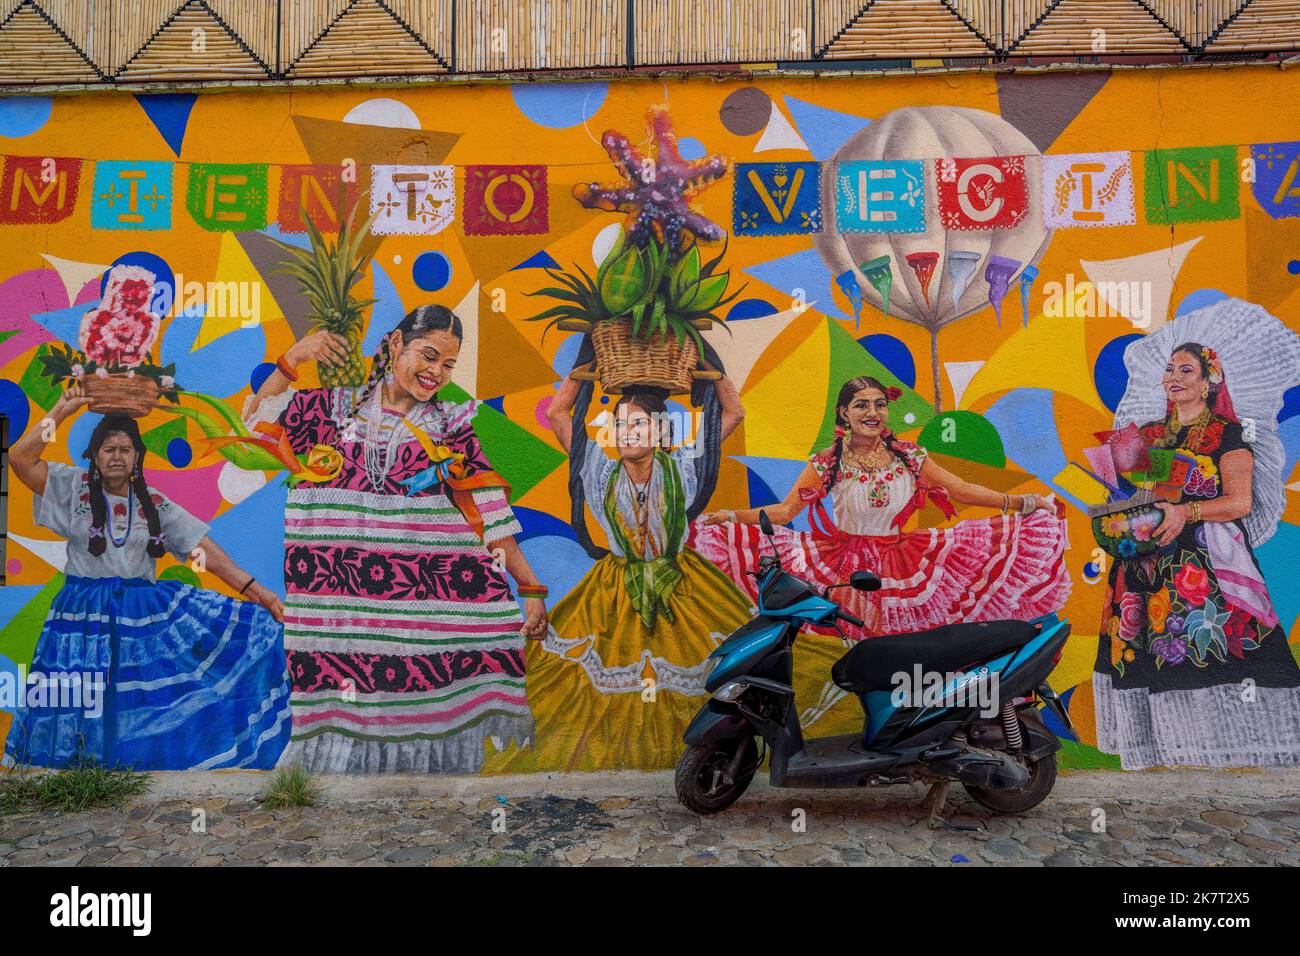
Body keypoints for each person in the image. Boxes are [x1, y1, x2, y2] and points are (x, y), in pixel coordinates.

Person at [246, 305, 549, 774]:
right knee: (342, 729)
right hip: (344, 618)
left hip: (417, 615)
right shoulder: (331, 409)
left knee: (427, 725)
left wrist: (530, 589)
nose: (436, 373)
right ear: (393, 346)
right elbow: (254, 421)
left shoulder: (451, 425)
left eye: (447, 365)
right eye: (428, 356)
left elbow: (489, 511)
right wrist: (293, 358)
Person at [692, 375, 1071, 729]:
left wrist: (1021, 502)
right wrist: (730, 516)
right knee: (857, 649)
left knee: (907, 648)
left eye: (878, 405)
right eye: (860, 405)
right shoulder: (827, 462)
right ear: (843, 413)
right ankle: (861, 728)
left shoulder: (910, 457)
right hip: (844, 565)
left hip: (902, 561)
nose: (872, 413)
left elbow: (960, 489)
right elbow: (786, 512)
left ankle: (915, 725)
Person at [484, 361, 754, 771]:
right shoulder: (597, 468)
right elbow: (558, 413)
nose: (627, 432)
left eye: (639, 424)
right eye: (620, 424)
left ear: (661, 432)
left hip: (683, 585)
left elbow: (733, 413)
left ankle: (698, 761)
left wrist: (715, 373)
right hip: (612, 591)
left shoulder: (685, 465)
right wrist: (581, 370)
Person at [5, 389, 289, 770]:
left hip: (140, 622)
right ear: (95, 456)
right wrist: (61, 409)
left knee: (139, 703)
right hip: (80, 619)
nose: (117, 456)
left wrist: (258, 592)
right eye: (108, 449)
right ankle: (81, 779)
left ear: (137, 457)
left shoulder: (154, 504)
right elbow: (21, 459)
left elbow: (202, 551)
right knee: (79, 698)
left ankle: (135, 772)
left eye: (125, 449)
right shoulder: (71, 489)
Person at [1092, 343, 1300, 769]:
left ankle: (1218, 749)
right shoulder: (1147, 433)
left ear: (1209, 381)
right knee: (1147, 655)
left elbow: (1239, 502)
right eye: (1170, 370)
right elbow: (1128, 493)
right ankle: (1160, 746)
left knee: (1205, 651)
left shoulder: (1228, 434)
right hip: (1143, 561)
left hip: (1202, 562)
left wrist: (1187, 510)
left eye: (1187, 370)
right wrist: (1118, 500)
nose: (1175, 378)